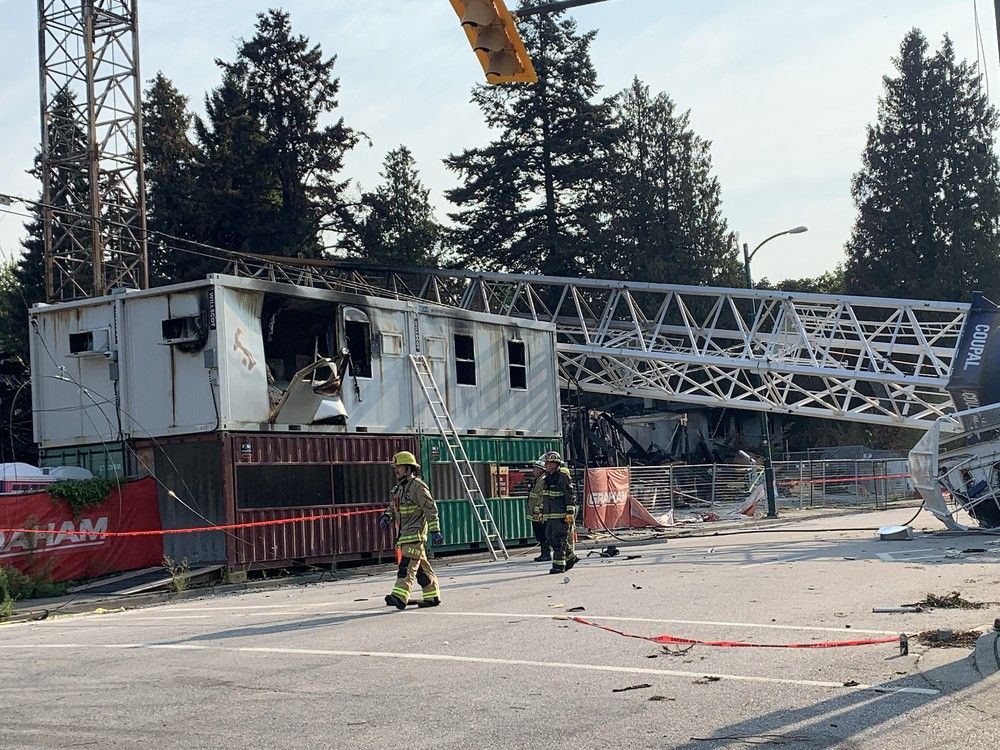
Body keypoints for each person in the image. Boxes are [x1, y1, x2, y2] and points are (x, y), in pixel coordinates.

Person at [379, 451, 444, 610]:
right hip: (404, 535)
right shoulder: (398, 489)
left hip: (415, 535)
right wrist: (387, 516)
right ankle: (432, 595)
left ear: (409, 468)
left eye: (399, 466)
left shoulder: (418, 487)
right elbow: (394, 507)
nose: (396, 470)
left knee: (406, 566)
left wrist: (435, 530)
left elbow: (430, 509)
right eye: (395, 467)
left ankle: (400, 596)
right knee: (421, 568)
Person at [541, 451, 579, 574]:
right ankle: (570, 558)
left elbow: (569, 495)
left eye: (548, 462)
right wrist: (542, 511)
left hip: (560, 515)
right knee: (550, 539)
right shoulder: (547, 477)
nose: (545, 465)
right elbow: (545, 496)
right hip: (550, 516)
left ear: (554, 464)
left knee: (558, 540)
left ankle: (558, 566)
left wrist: (569, 512)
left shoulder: (562, 476)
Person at [527, 457, 550, 562]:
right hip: (535, 513)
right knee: (539, 533)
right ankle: (544, 553)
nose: (533, 471)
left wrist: (538, 510)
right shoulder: (537, 481)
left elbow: (541, 497)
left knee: (542, 533)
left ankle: (546, 554)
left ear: (541, 470)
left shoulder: (542, 481)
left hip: (539, 513)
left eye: (535, 469)